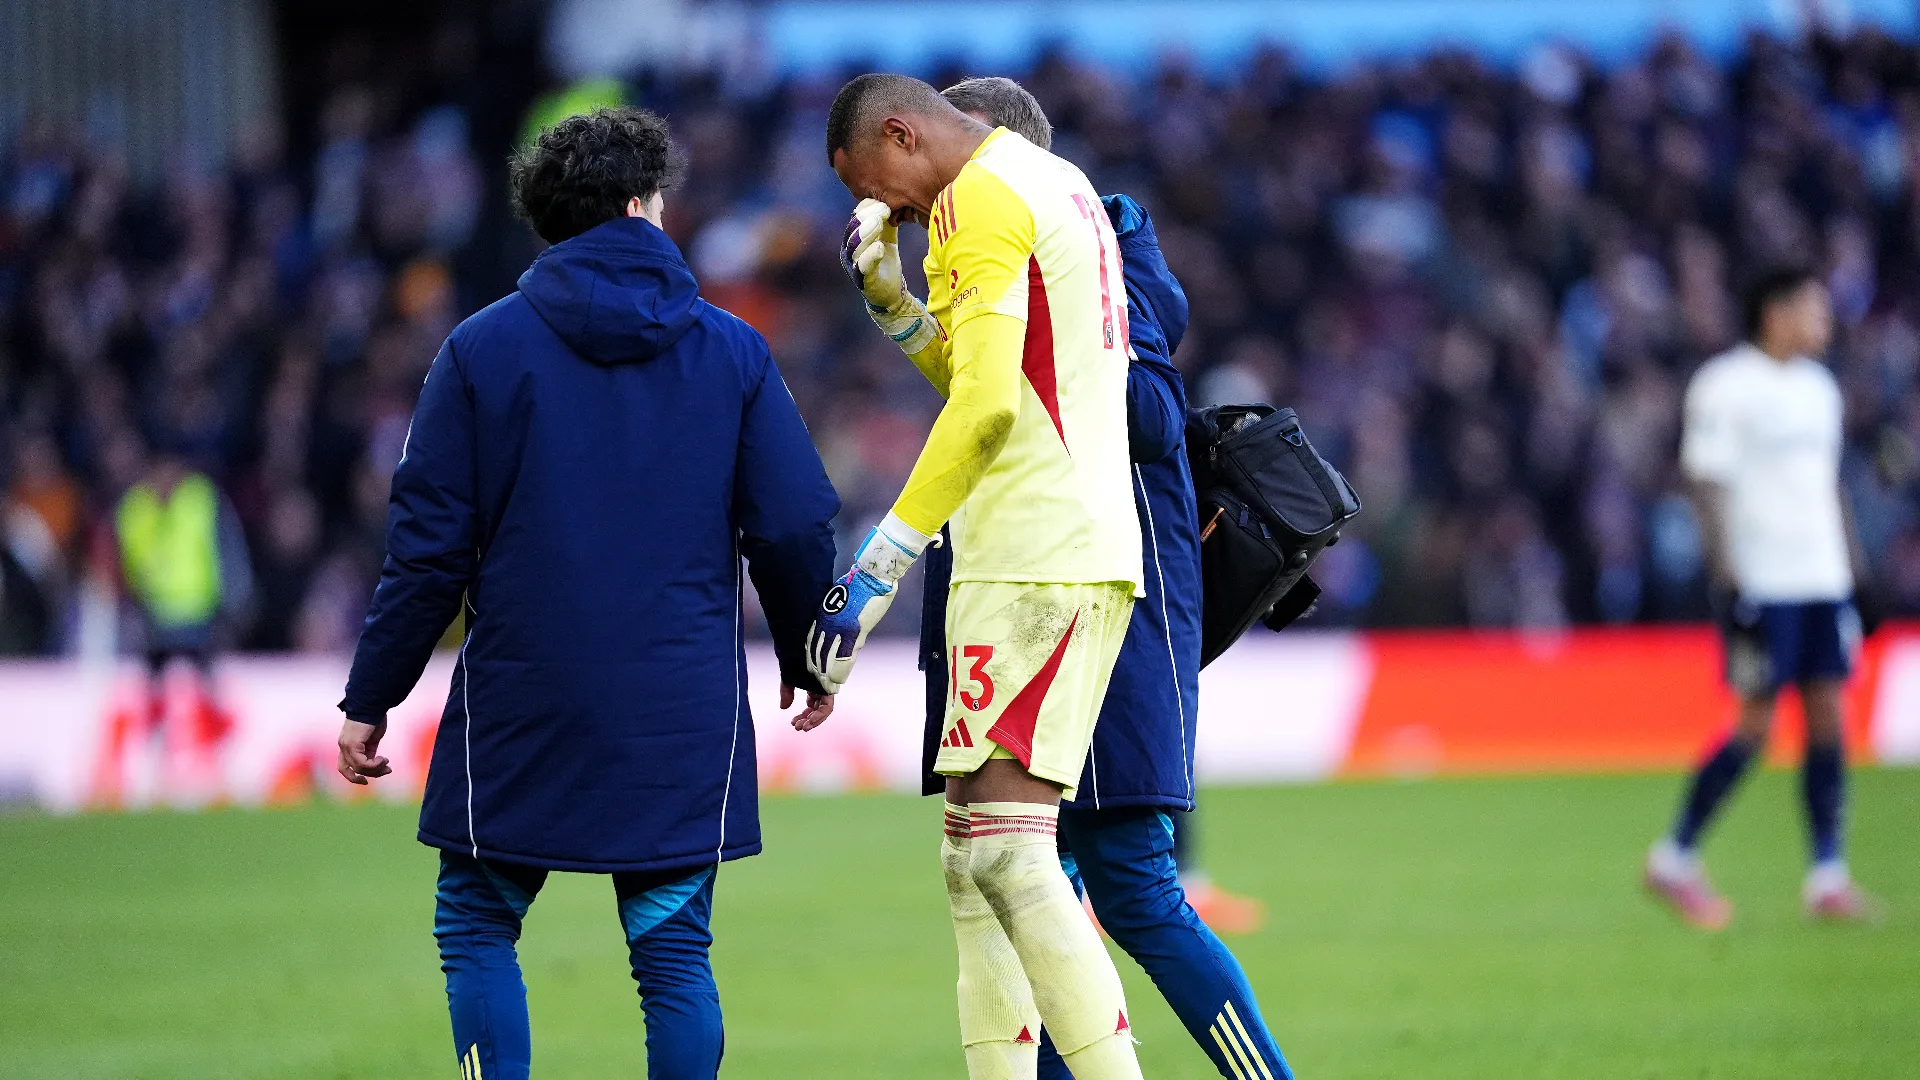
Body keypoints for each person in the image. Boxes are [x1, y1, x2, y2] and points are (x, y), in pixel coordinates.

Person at [335, 108, 839, 1080]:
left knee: (477, 922)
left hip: (526, 701)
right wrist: (812, 655)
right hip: (675, 709)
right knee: (672, 958)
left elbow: (428, 551)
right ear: (642, 203)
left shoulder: (480, 352)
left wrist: (373, 696)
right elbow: (788, 527)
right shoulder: (731, 351)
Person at [918, 75, 1290, 1080]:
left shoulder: (1098, 255)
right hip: (1005, 600)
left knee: (1128, 885)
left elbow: (1154, 422)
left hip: (1103, 611)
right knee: (1023, 882)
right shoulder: (979, 250)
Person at [811, 73, 1146, 1080]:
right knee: (972, 860)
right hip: (1038, 551)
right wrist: (896, 308)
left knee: (1008, 855)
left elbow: (989, 411)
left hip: (1043, 557)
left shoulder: (977, 199)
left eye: (878, 185)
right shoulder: (1051, 183)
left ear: (904, 135)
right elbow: (989, 377)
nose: (886, 211)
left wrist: (879, 563)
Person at [1645, 267, 1880, 929]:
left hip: (1821, 580)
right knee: (1756, 725)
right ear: (1774, 312)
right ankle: (1674, 856)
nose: (1825, 322)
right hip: (1762, 582)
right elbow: (1708, 487)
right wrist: (1730, 583)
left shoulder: (1819, 390)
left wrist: (1857, 577)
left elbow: (1829, 488)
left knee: (1829, 716)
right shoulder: (1726, 385)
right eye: (1814, 309)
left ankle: (1827, 875)